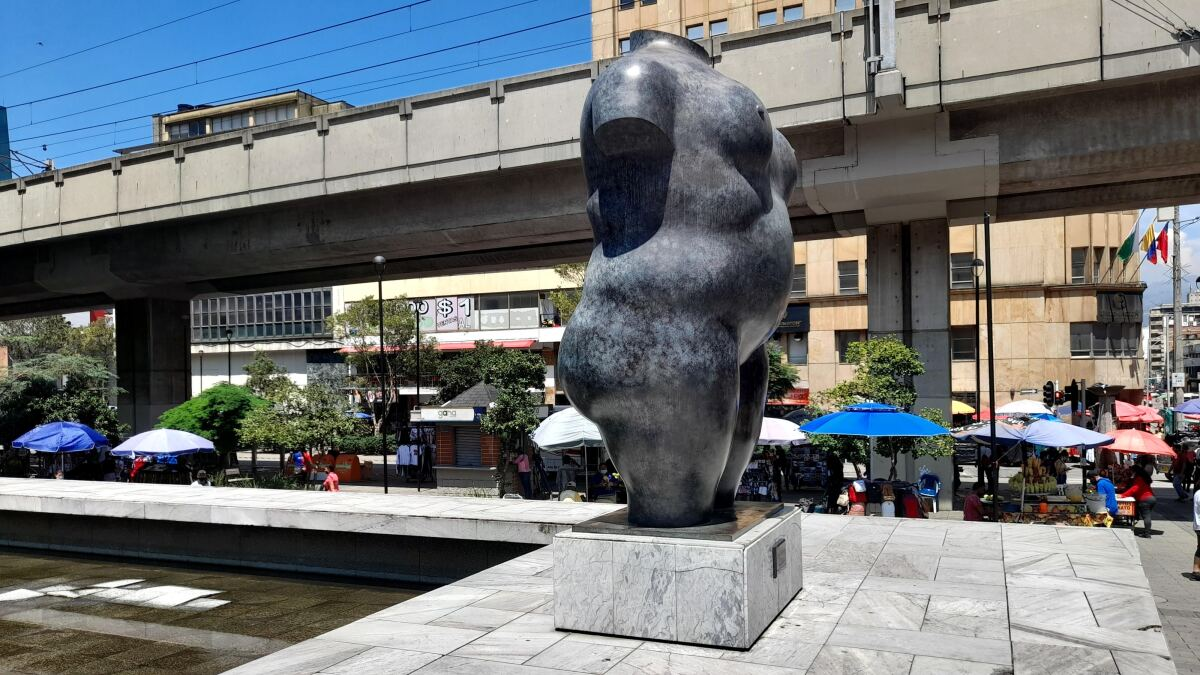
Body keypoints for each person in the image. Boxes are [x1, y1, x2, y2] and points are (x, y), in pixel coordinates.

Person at [1120, 464, 1157, 538]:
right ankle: (1146, 532)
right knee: (1147, 516)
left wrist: (1123, 495)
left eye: (1131, 471)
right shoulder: (1144, 478)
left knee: (1146, 516)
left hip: (1145, 500)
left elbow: (1135, 488)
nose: (1131, 473)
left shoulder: (1139, 478)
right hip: (1151, 498)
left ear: (1135, 471)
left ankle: (1147, 534)